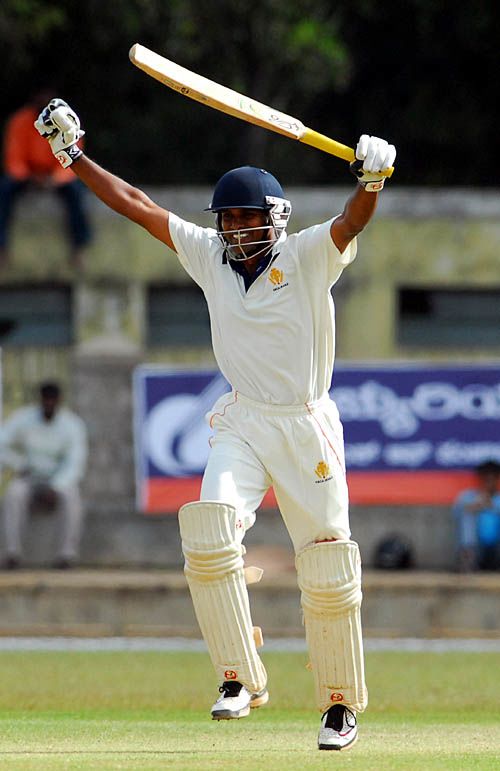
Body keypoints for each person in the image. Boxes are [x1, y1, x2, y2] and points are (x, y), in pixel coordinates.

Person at [34, 97, 396, 750]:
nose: (233, 230)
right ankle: (240, 677)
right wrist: (75, 156)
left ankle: (339, 704)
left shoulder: (308, 254)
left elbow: (349, 222)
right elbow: (137, 204)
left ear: (275, 219)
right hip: (244, 420)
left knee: (328, 564)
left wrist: (371, 182)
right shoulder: (208, 255)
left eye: (244, 218)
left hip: (305, 424)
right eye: (226, 219)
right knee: (207, 530)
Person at [0, 88, 92, 269]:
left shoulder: (66, 119)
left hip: (56, 174)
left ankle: (79, 250)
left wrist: (54, 179)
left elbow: (74, 156)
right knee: (4, 190)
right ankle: (2, 250)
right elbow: (14, 157)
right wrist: (29, 177)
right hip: (28, 175)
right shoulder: (20, 121)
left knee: (77, 193)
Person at [0, 381, 88, 569]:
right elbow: (2, 441)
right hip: (30, 476)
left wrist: (56, 487)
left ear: (58, 401)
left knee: (73, 499)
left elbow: (75, 462)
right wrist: (19, 463)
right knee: (13, 495)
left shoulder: (71, 425)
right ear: (40, 400)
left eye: (52, 400)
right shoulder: (24, 418)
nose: (48, 404)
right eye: (45, 400)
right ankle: (12, 553)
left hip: (59, 480)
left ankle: (66, 556)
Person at [452, 460, 500, 572]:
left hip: (497, 549)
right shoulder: (467, 496)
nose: (489, 482)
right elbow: (456, 514)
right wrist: (475, 506)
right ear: (480, 479)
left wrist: (492, 507)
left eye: (492, 478)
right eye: (485, 478)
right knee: (467, 515)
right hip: (476, 550)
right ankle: (467, 559)